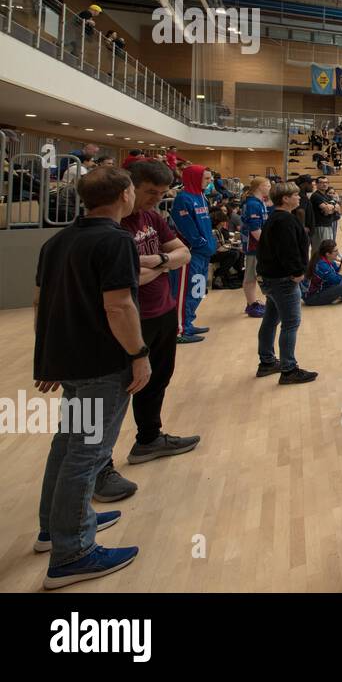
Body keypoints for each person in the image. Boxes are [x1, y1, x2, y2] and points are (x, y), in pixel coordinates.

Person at [33, 166, 148, 588]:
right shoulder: (115, 241)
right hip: (102, 362)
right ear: (122, 194)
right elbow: (119, 307)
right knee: (87, 454)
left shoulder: (58, 240)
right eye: (133, 189)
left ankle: (56, 527)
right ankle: (72, 552)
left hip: (70, 361)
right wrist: (139, 353)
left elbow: (41, 303)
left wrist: (46, 357)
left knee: (66, 446)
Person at [117, 158, 201, 479]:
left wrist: (159, 260)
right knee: (118, 391)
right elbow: (129, 277)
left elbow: (184, 253)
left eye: (162, 192)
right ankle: (99, 465)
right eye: (150, 191)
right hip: (132, 317)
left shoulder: (151, 216)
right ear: (129, 188)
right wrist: (166, 263)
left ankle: (148, 439)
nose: (156, 198)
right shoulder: (113, 226)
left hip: (162, 310)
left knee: (157, 380)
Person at [255, 183, 317, 385]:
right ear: (285, 199)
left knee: (271, 320)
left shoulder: (275, 217)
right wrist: (297, 272)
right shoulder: (285, 221)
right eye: (295, 194)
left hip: (271, 278)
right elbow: (288, 251)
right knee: (290, 324)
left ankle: (267, 362)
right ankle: (288, 369)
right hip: (283, 280)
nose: (299, 197)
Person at [171, 165, 216, 343]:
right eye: (206, 178)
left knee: (198, 291)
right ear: (194, 178)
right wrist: (201, 244)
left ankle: (187, 322)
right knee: (184, 291)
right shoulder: (183, 198)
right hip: (190, 253)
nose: (210, 181)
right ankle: (179, 330)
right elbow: (186, 227)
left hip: (203, 253)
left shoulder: (202, 196)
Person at [239, 178, 269, 318]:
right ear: (260, 186)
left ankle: (253, 302)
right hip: (253, 245)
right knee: (251, 276)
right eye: (268, 185)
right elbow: (255, 229)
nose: (270, 187)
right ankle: (251, 305)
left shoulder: (260, 202)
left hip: (258, 245)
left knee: (256, 275)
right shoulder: (252, 203)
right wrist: (269, 244)